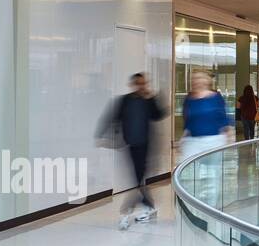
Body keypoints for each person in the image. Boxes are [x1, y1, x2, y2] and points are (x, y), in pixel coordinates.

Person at [98, 73, 166, 229]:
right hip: (130, 145)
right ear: (132, 85)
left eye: (144, 83)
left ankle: (126, 210)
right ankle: (149, 207)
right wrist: (102, 135)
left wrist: (153, 98)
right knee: (137, 179)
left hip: (146, 146)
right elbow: (112, 117)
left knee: (137, 179)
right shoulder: (124, 101)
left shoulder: (148, 101)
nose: (142, 86)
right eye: (138, 83)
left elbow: (158, 115)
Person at [180, 70, 233, 163]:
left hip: (213, 140)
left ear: (207, 81)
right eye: (194, 79)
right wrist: (183, 137)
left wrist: (229, 134)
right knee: (188, 170)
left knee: (213, 173)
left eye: (200, 78)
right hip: (193, 141)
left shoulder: (215, 97)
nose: (197, 81)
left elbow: (224, 118)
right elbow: (187, 121)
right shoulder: (189, 99)